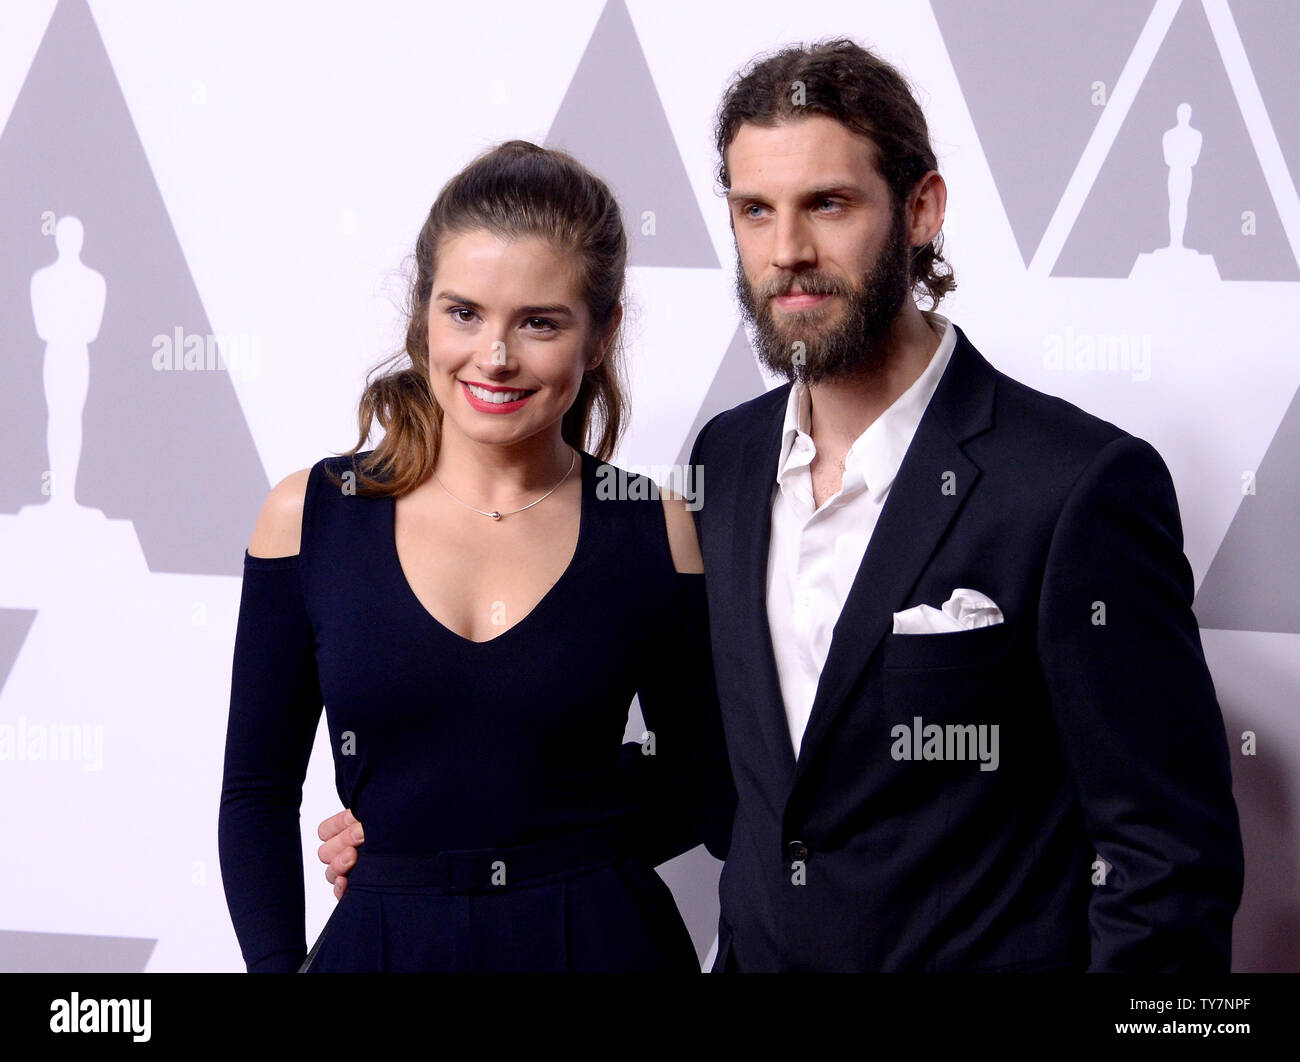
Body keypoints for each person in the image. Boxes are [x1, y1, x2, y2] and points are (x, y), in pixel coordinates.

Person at [314, 38, 1245, 972]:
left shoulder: (1077, 484)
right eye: (755, 211)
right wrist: (428, 833)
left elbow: (1170, 861)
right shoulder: (729, 459)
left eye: (828, 205)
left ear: (921, 209)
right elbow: (730, 781)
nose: (788, 251)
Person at [217, 140, 734, 973]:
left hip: (602, 945)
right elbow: (257, 796)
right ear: (423, 314)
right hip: (386, 948)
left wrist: (516, 830)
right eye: (464, 313)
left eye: (539, 322)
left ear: (601, 336)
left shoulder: (650, 523)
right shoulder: (309, 516)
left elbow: (711, 787)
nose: (494, 356)